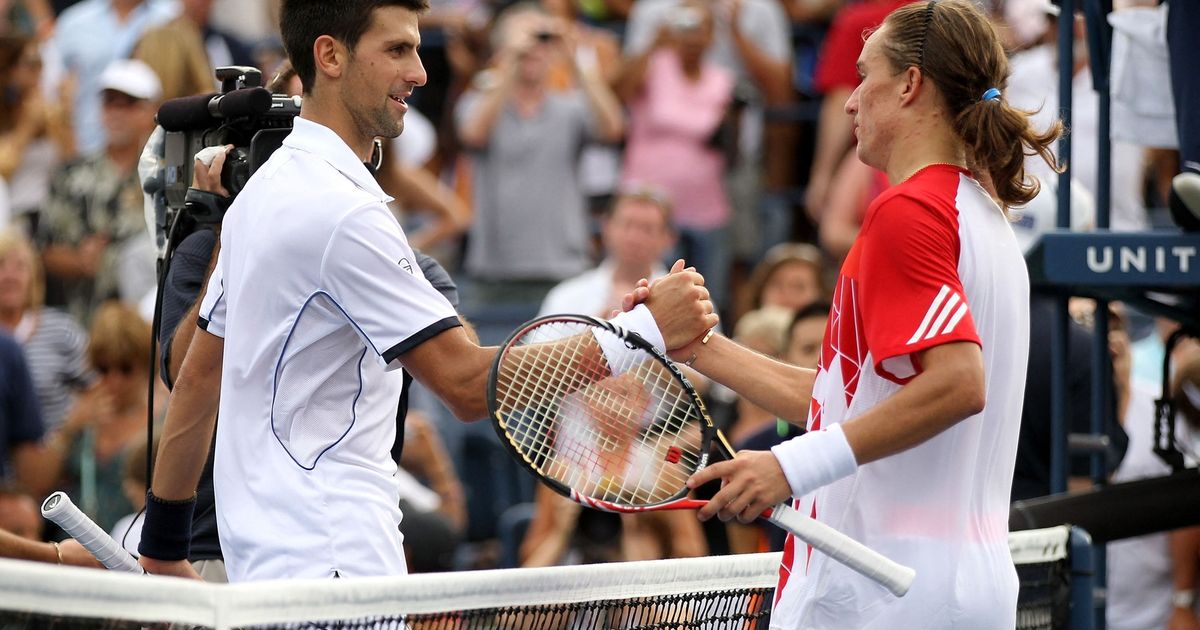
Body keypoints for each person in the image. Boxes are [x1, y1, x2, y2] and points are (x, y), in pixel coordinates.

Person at [139, 0, 716, 583]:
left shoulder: (259, 196)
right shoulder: (343, 213)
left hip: (270, 569)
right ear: (330, 56)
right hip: (337, 572)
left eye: (416, 49)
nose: (419, 72)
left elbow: (198, 378)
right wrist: (642, 332)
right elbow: (465, 385)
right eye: (397, 50)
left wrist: (162, 548)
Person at [628, 2, 1060, 626]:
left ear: (910, 84)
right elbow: (852, 401)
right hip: (946, 586)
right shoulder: (982, 216)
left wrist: (791, 464)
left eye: (864, 75)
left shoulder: (908, 212)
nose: (851, 101)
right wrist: (698, 347)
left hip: (884, 591)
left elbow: (958, 385)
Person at [38, 59, 162, 325]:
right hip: (86, 322)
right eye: (109, 102)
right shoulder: (71, 174)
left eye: (128, 104)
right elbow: (45, 250)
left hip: (148, 324)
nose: (116, 112)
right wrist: (79, 261)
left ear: (150, 111)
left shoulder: (165, 176)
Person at [0, 228, 93, 433]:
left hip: (56, 446)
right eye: (1, 266)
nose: (10, 276)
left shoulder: (62, 330)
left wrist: (70, 428)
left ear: (34, 277)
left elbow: (99, 385)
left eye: (20, 267)